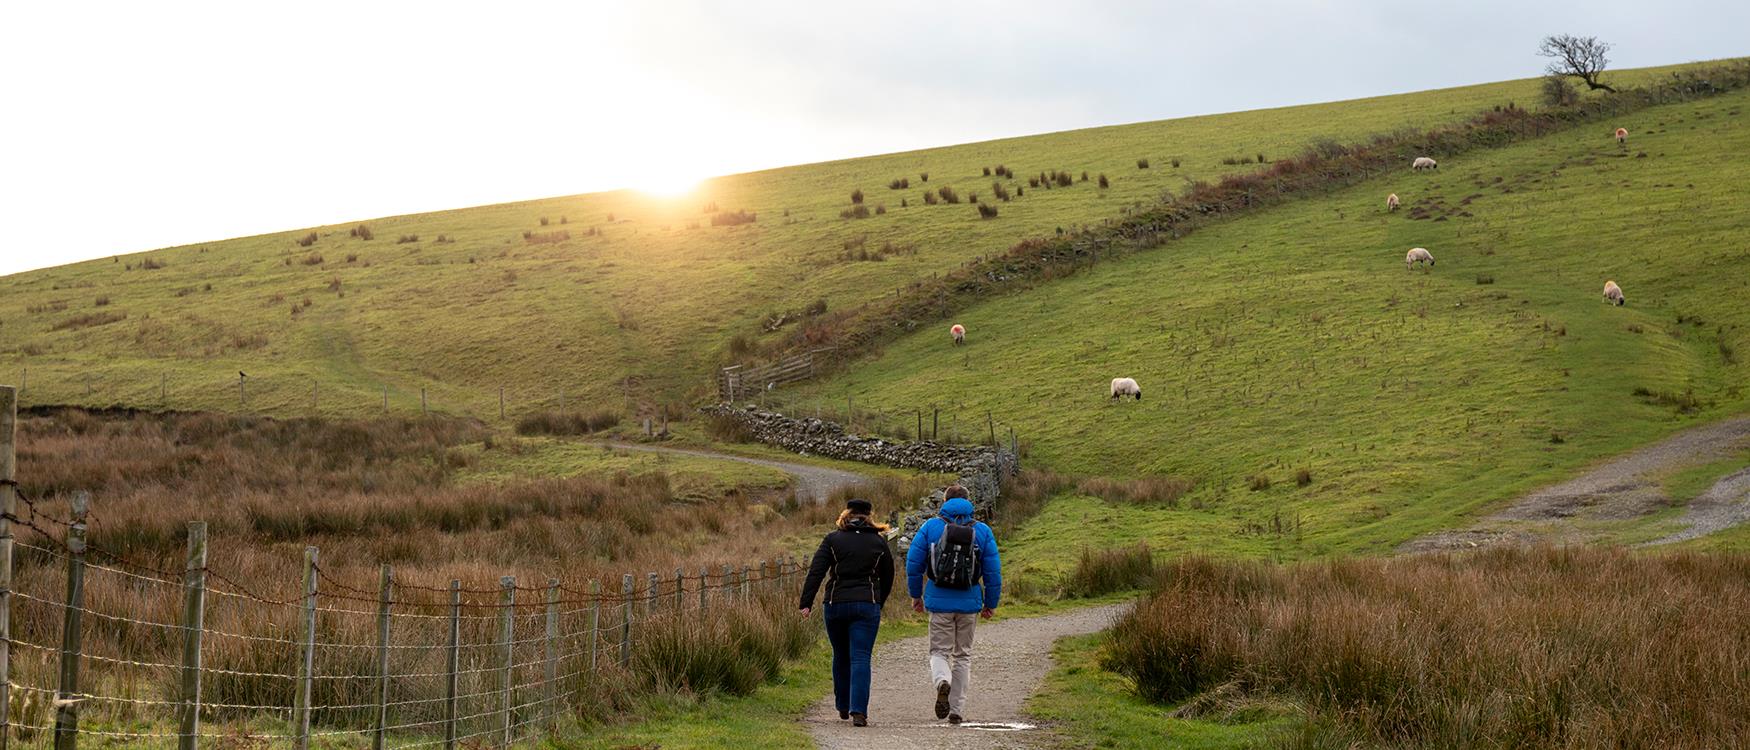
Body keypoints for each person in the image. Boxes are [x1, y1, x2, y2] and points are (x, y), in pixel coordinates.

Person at [905, 484, 1002, 725]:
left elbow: (913, 564)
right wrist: (990, 603)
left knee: (939, 651)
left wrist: (916, 596)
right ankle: (957, 709)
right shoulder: (982, 530)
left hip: (939, 600)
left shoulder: (931, 527)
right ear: (969, 503)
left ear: (944, 502)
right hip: (969, 602)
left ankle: (941, 681)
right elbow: (993, 572)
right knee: (963, 656)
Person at [799, 498, 895, 728]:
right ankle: (858, 711)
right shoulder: (878, 542)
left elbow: (816, 572)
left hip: (835, 604)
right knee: (861, 657)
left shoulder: (833, 539)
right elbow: (888, 576)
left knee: (840, 654)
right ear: (869, 517)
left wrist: (806, 602)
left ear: (847, 514)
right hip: (866, 604)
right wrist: (878, 602)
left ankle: (842, 704)